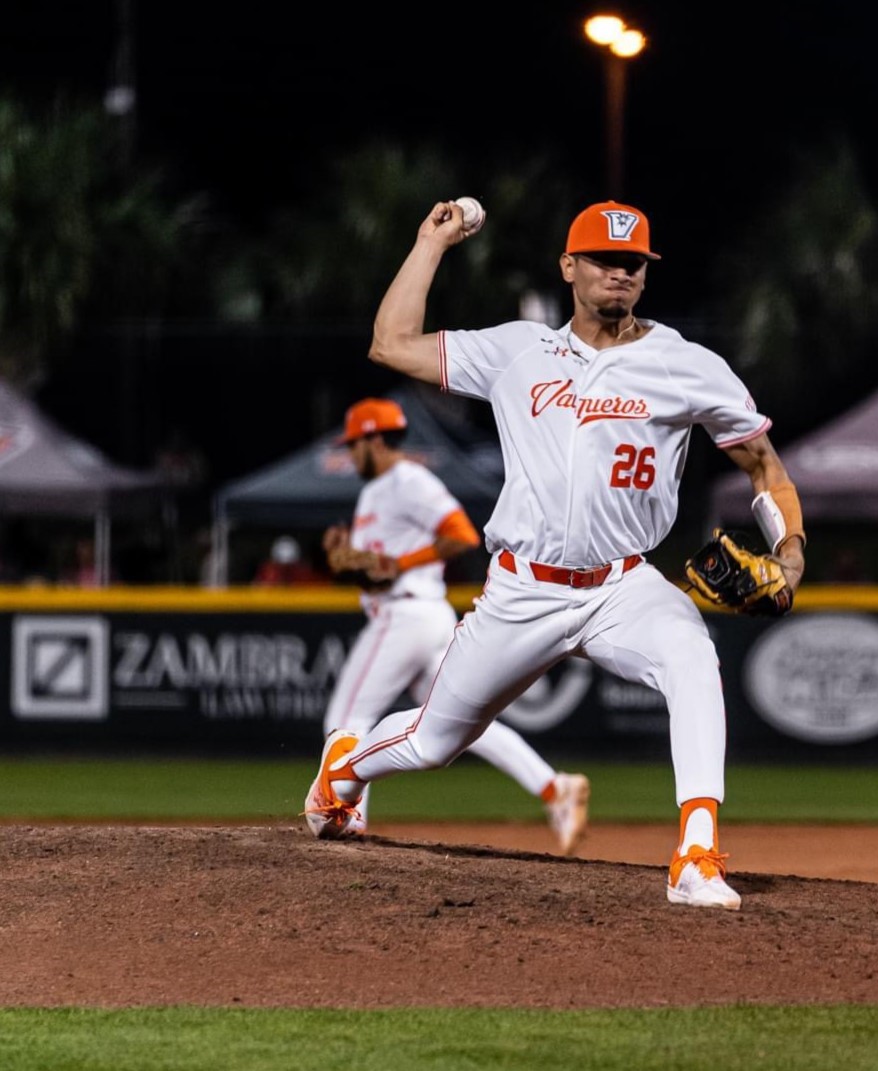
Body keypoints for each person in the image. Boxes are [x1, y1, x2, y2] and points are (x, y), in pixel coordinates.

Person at [304, 199, 806, 911]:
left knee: (691, 656)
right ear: (568, 266)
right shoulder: (517, 350)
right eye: (603, 258)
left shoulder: (686, 365)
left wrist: (790, 552)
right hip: (521, 589)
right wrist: (428, 244)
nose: (618, 272)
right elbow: (390, 342)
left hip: (622, 586)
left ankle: (696, 853)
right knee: (434, 742)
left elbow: (764, 469)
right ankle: (340, 771)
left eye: (632, 262)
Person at [309, 396, 591, 855]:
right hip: (413, 615)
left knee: (346, 719)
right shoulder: (376, 491)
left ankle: (348, 814)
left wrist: (400, 562)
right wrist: (349, 563)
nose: (350, 453)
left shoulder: (408, 480)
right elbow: (373, 568)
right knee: (460, 717)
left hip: (408, 616)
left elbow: (460, 532)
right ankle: (553, 787)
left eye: (354, 444)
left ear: (375, 440)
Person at [253, 535, 331, 587]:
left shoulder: (305, 576)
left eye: (290, 567)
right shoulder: (268, 574)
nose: (285, 571)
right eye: (281, 566)